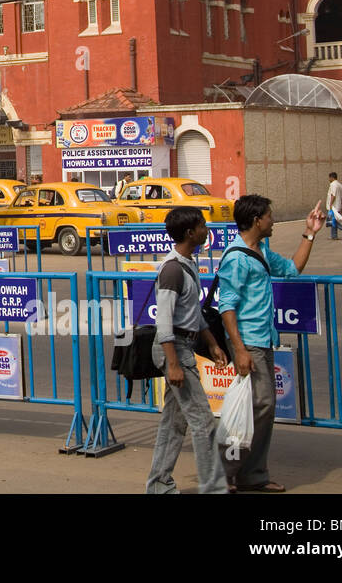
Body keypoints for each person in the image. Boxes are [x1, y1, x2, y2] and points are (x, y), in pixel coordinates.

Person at [218, 194, 325, 493]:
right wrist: (238, 349)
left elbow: (292, 269)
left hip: (262, 340)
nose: (273, 220)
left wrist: (310, 232)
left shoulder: (260, 251)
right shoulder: (237, 257)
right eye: (269, 215)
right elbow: (226, 306)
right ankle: (229, 472)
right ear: (256, 220)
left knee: (260, 407)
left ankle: (249, 475)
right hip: (247, 342)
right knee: (256, 407)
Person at [145, 207, 230, 494]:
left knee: (174, 423)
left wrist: (212, 343)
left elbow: (194, 312)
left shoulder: (188, 264)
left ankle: (159, 485)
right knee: (204, 422)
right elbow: (165, 321)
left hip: (183, 346)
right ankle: (214, 486)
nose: (207, 230)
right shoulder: (172, 270)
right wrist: (173, 364)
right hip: (174, 350)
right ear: (190, 232)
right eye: (203, 226)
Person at [326, 172, 342, 240]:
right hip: (338, 205)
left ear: (332, 177)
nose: (329, 179)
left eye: (329, 178)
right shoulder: (340, 186)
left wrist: (330, 204)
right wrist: (341, 206)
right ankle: (334, 235)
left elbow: (333, 195)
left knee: (333, 221)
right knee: (333, 220)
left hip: (333, 206)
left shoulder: (333, 185)